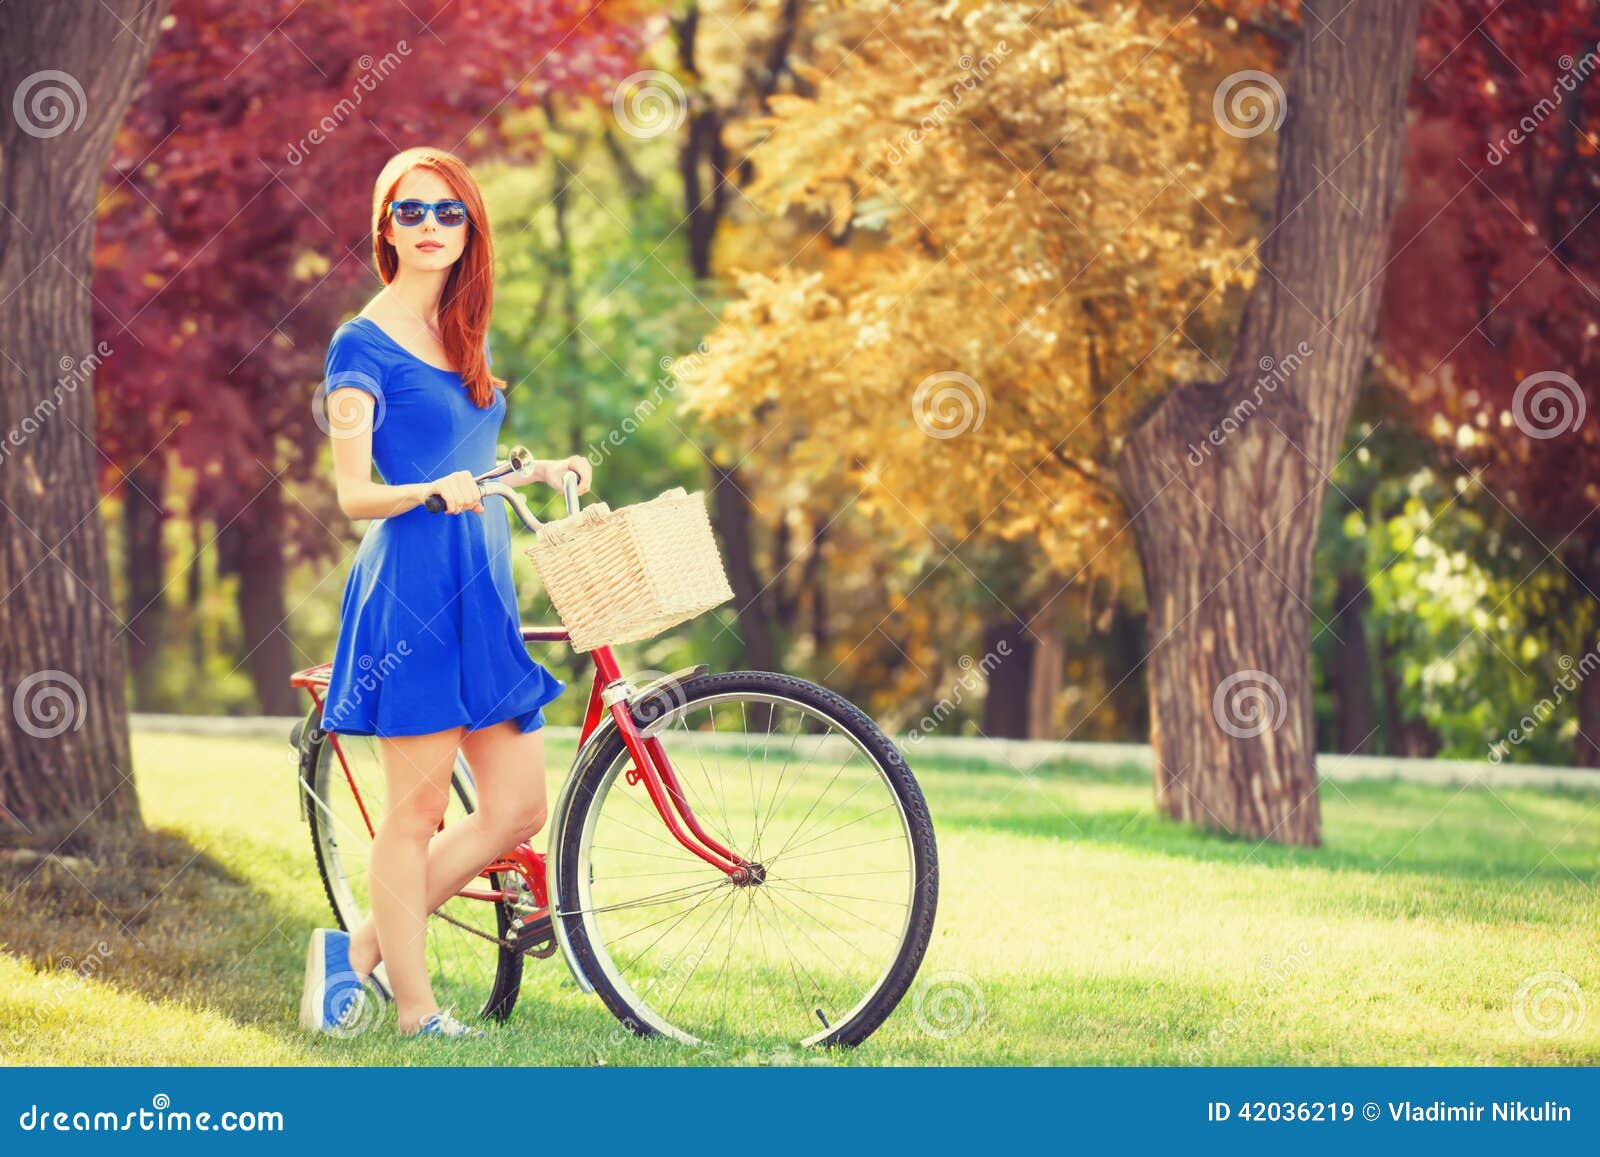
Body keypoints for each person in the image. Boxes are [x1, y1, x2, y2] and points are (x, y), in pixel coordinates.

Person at [298, 146, 591, 1039]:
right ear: (385, 228)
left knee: (518, 807)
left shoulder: (465, 329)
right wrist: (428, 488)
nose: (431, 226)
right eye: (411, 212)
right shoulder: (360, 343)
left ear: (470, 228)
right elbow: (353, 494)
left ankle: (354, 949)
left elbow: (467, 448)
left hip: (484, 581)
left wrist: (530, 467)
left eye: (448, 212)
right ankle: (417, 1011)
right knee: (417, 810)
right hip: (413, 589)